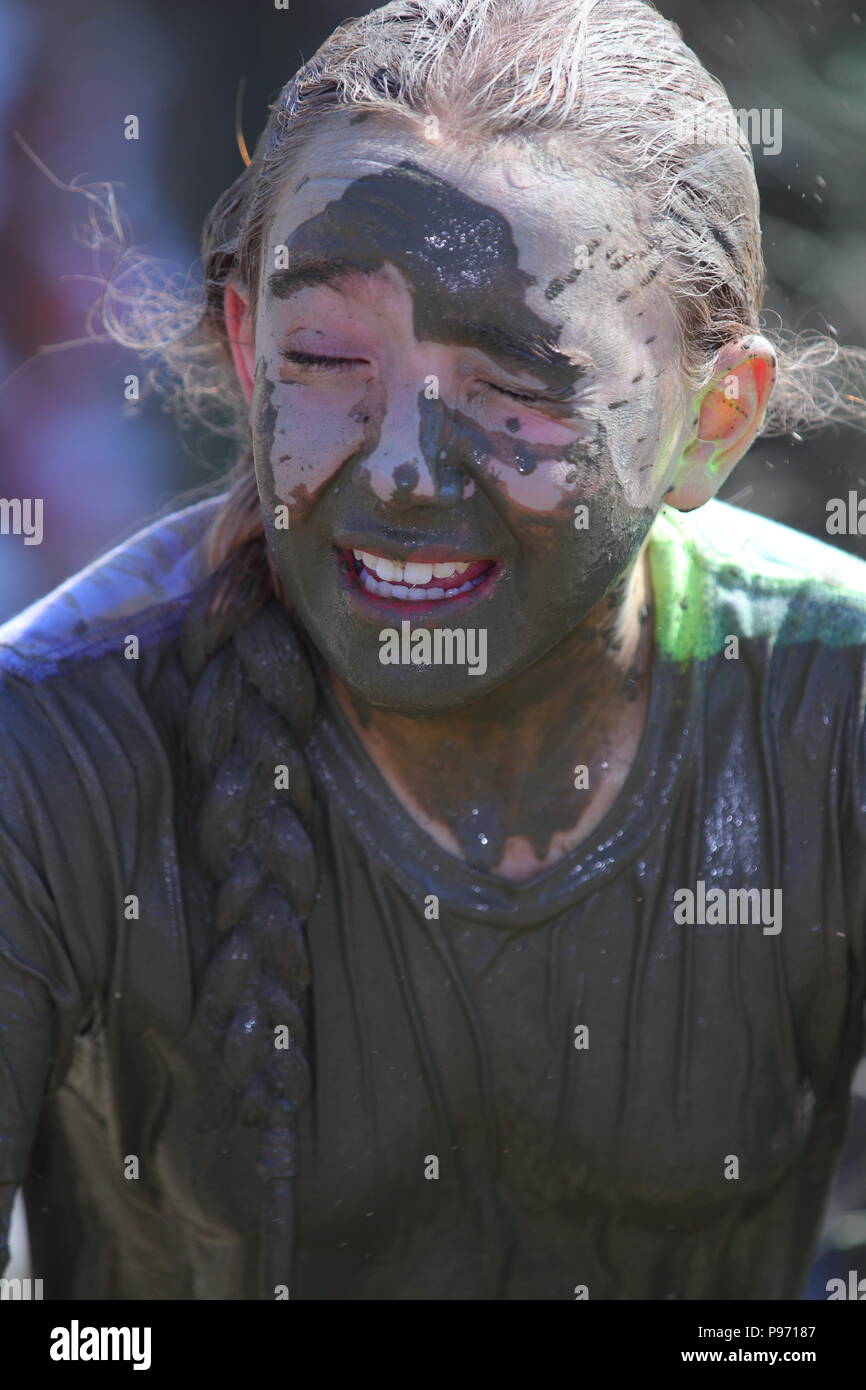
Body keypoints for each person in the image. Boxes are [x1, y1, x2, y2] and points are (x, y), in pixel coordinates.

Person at [2, 0, 866, 1301]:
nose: (401, 468)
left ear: (713, 419)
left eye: (515, 386)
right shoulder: (55, 745)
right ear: (245, 352)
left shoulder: (828, 708)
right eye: (326, 357)